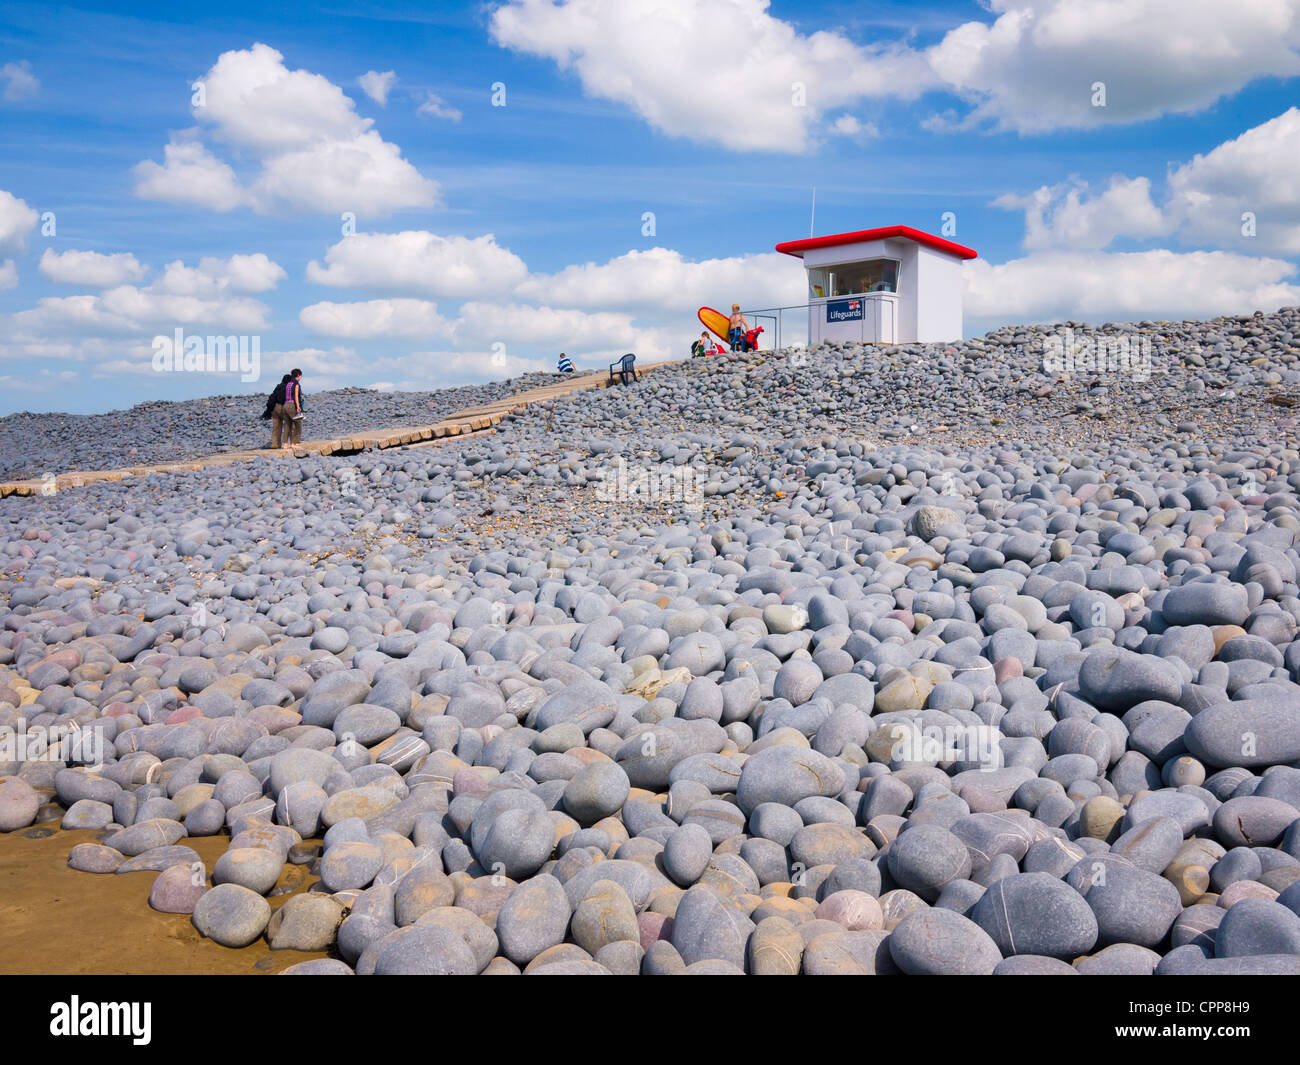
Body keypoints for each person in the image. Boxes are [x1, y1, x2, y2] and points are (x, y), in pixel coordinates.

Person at [264, 373, 292, 448]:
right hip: (284, 407)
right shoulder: (289, 388)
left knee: (276, 427)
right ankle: (286, 444)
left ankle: (275, 444)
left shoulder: (278, 386)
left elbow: (273, 397)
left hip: (275, 408)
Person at [281, 368, 306, 448]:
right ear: (298, 375)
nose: (301, 377)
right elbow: (296, 396)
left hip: (286, 405)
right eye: (300, 375)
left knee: (287, 425)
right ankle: (295, 443)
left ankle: (285, 443)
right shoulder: (296, 384)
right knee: (298, 424)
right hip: (292, 405)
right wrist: (298, 407)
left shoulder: (289, 383)